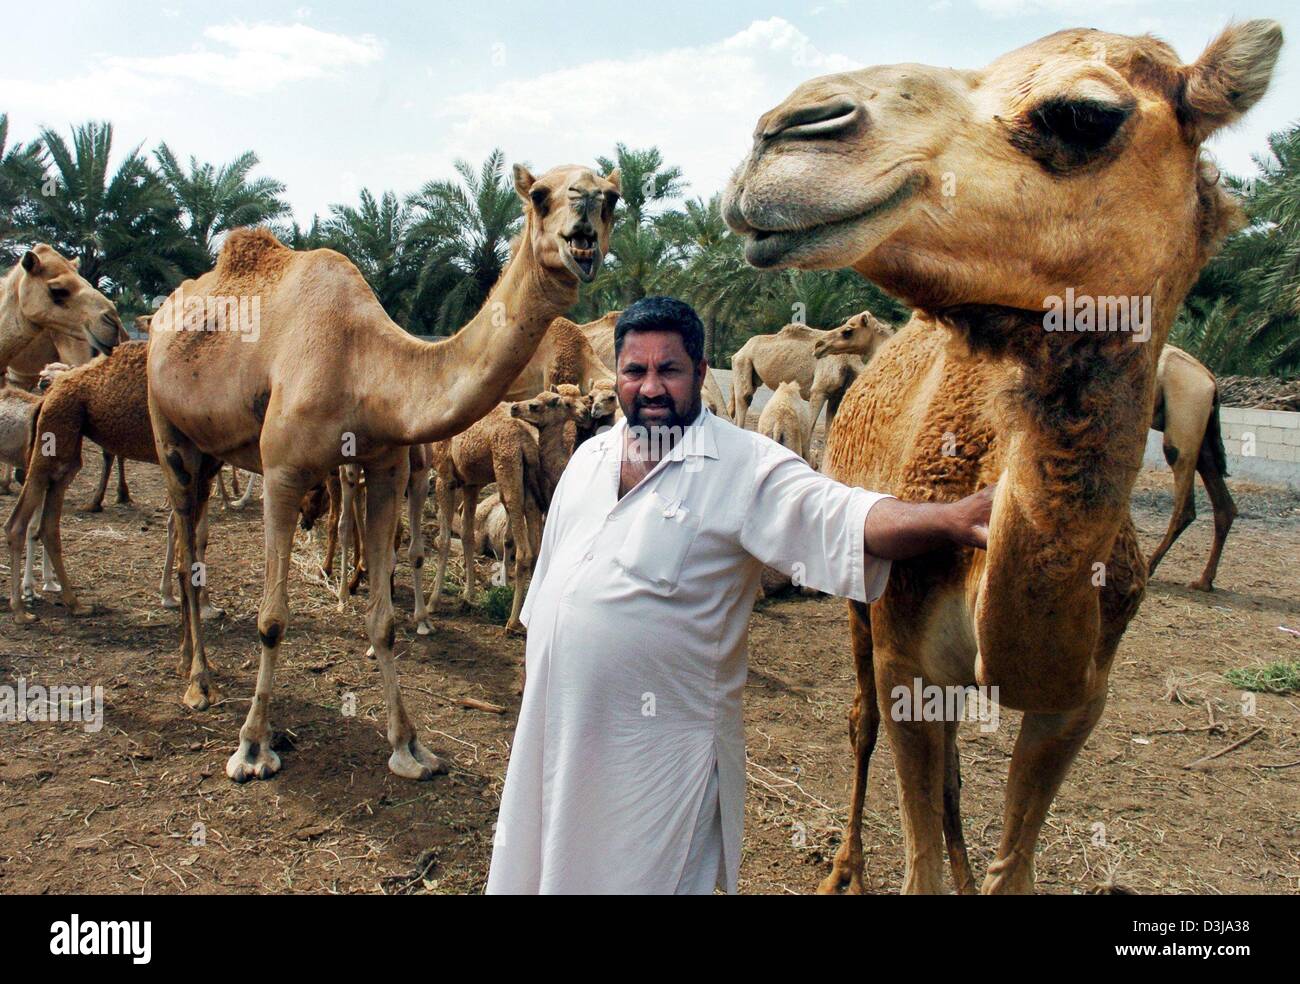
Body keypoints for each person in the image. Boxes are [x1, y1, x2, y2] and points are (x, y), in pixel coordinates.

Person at [486, 296, 993, 894]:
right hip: (557, 737)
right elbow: (551, 582)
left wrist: (952, 518)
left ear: (701, 373)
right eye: (634, 371)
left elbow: (844, 515)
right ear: (615, 376)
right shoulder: (588, 459)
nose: (650, 387)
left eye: (668, 370)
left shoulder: (745, 466)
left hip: (661, 766)